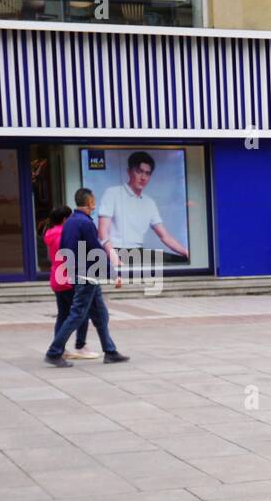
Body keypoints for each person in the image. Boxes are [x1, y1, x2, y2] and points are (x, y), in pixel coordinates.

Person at [44, 188, 129, 368]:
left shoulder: (70, 223)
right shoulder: (85, 223)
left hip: (79, 273)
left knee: (101, 315)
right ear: (90, 202)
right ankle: (54, 352)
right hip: (86, 275)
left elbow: (64, 248)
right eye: (94, 201)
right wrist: (114, 275)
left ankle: (110, 351)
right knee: (77, 315)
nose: (95, 205)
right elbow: (96, 251)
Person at [97, 151, 190, 260]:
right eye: (139, 171)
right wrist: (112, 255)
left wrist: (186, 252)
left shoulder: (149, 203)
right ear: (129, 172)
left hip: (137, 253)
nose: (143, 177)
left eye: (147, 173)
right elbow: (102, 232)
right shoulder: (112, 193)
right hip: (115, 250)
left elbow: (165, 236)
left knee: (180, 260)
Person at [43, 206, 98, 360]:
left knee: (63, 315)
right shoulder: (64, 234)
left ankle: (61, 348)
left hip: (56, 278)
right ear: (65, 220)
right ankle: (80, 346)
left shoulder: (50, 234)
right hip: (68, 278)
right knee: (81, 313)